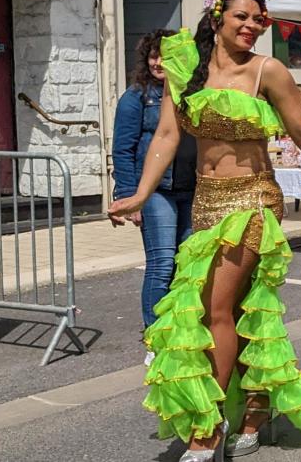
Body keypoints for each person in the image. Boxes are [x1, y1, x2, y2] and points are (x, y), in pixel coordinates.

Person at [108, 0, 301, 461]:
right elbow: (165, 136)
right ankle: (253, 403)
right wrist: (137, 192)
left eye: (259, 19)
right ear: (218, 16)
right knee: (239, 306)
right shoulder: (187, 66)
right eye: (242, 17)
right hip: (205, 203)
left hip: (253, 198)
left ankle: (209, 429)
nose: (251, 26)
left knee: (215, 308)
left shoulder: (267, 72)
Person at [111, 30, 198, 366]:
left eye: (165, 56)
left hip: (190, 190)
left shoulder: (192, 95)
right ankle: (155, 337)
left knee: (186, 265)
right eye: (153, 56)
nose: (159, 63)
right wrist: (130, 196)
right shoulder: (136, 97)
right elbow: (123, 149)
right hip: (156, 192)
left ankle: (179, 330)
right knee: (162, 264)